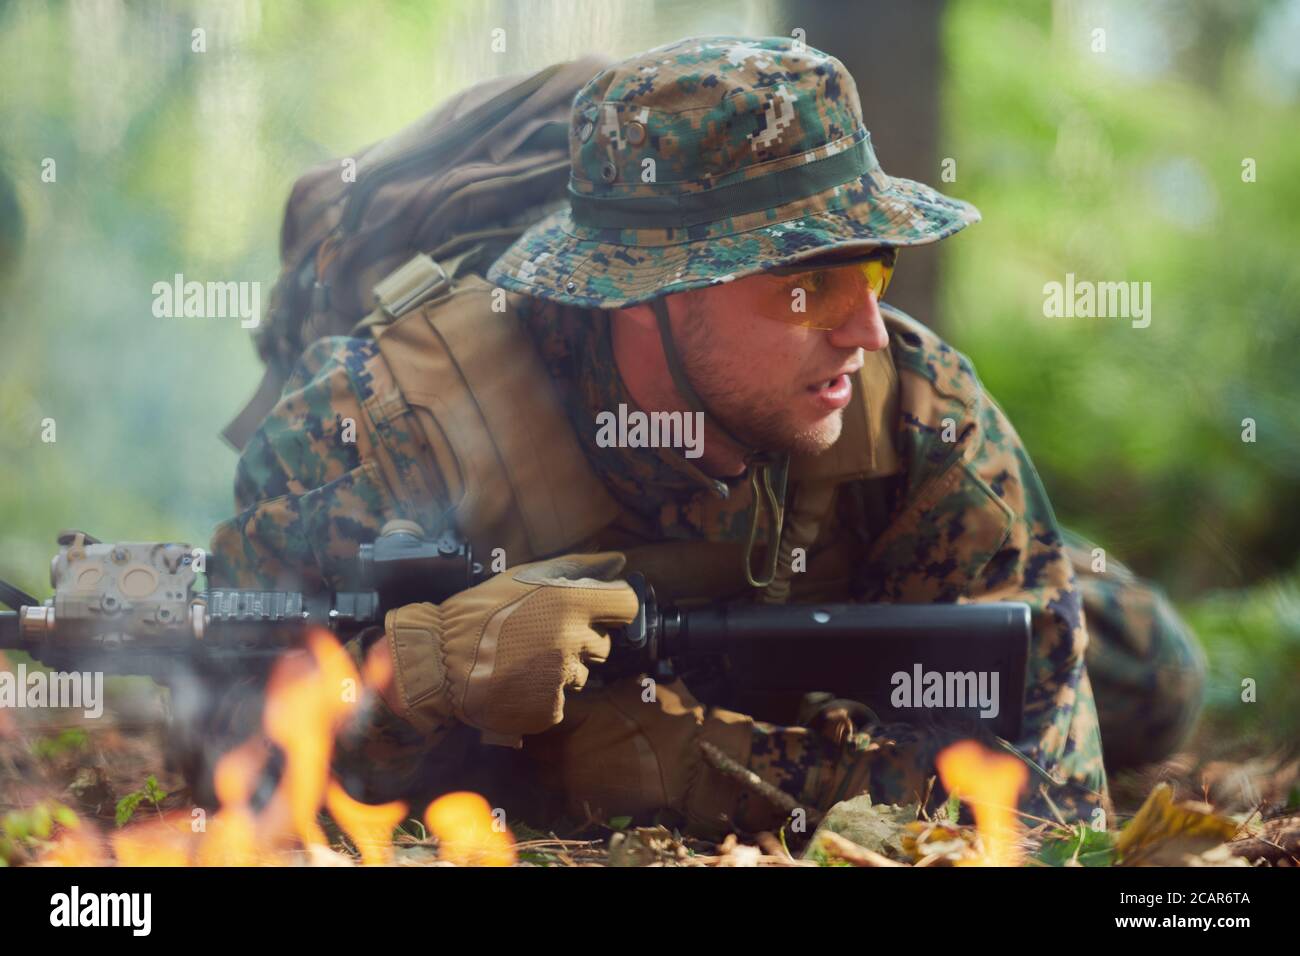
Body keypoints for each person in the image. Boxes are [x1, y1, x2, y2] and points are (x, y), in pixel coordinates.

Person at [208, 36, 1204, 838]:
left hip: (828, 627)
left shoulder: (916, 412)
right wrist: (425, 670)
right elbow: (221, 748)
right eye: (806, 285)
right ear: (643, 296)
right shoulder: (380, 425)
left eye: (875, 268)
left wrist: (695, 765)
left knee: (1154, 670)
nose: (863, 331)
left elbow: (1044, 806)